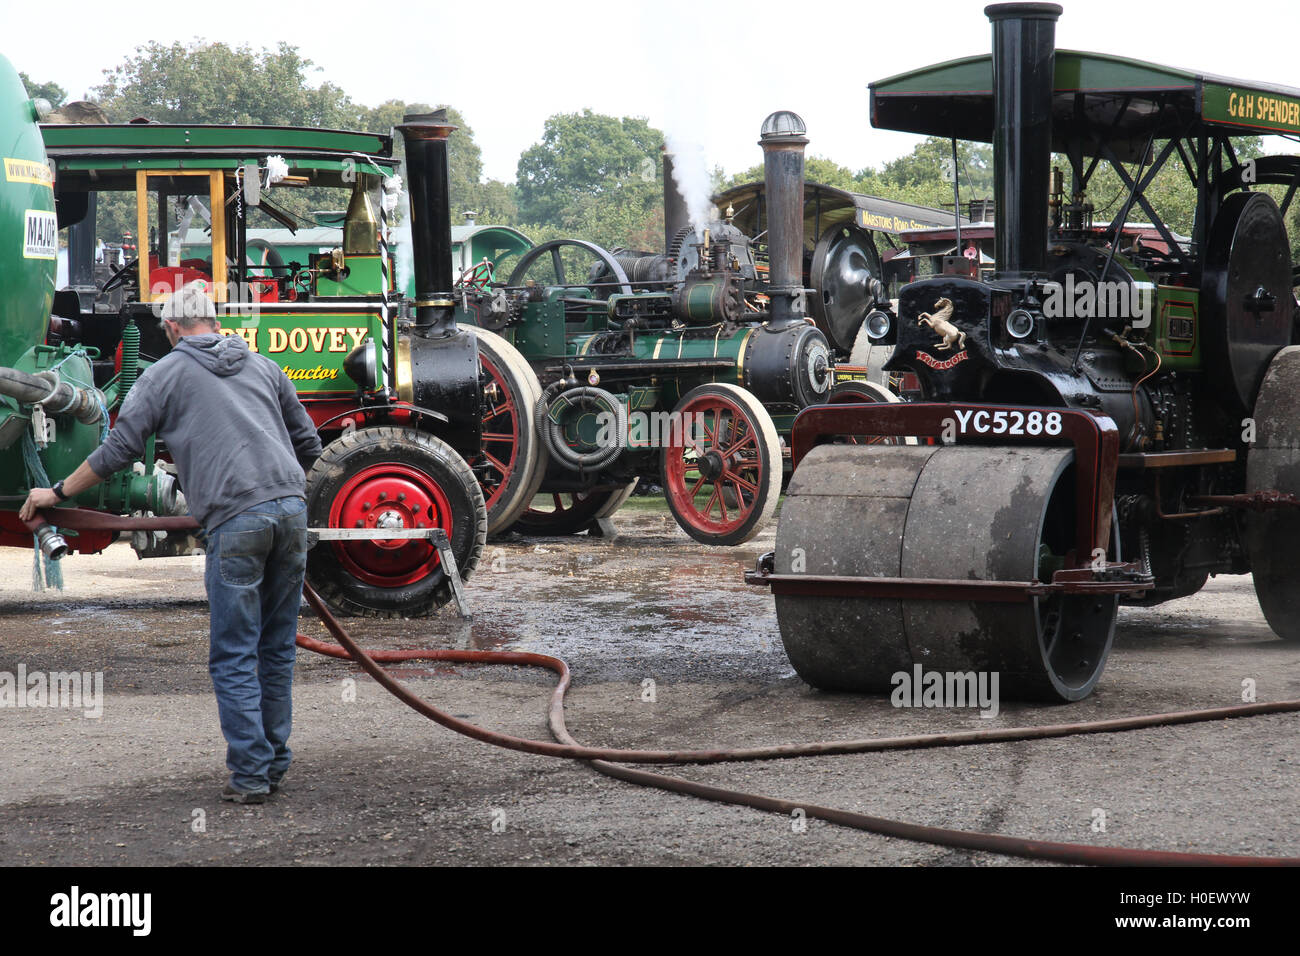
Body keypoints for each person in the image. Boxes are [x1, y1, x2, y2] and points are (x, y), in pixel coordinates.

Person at [21, 282, 322, 804]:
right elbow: (310, 446)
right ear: (215, 322)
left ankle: (251, 776)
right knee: (275, 649)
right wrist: (280, 496)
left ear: (175, 327)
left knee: (232, 654)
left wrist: (58, 490)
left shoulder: (164, 375)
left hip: (236, 521)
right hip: (292, 513)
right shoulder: (266, 367)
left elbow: (118, 451)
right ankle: (272, 765)